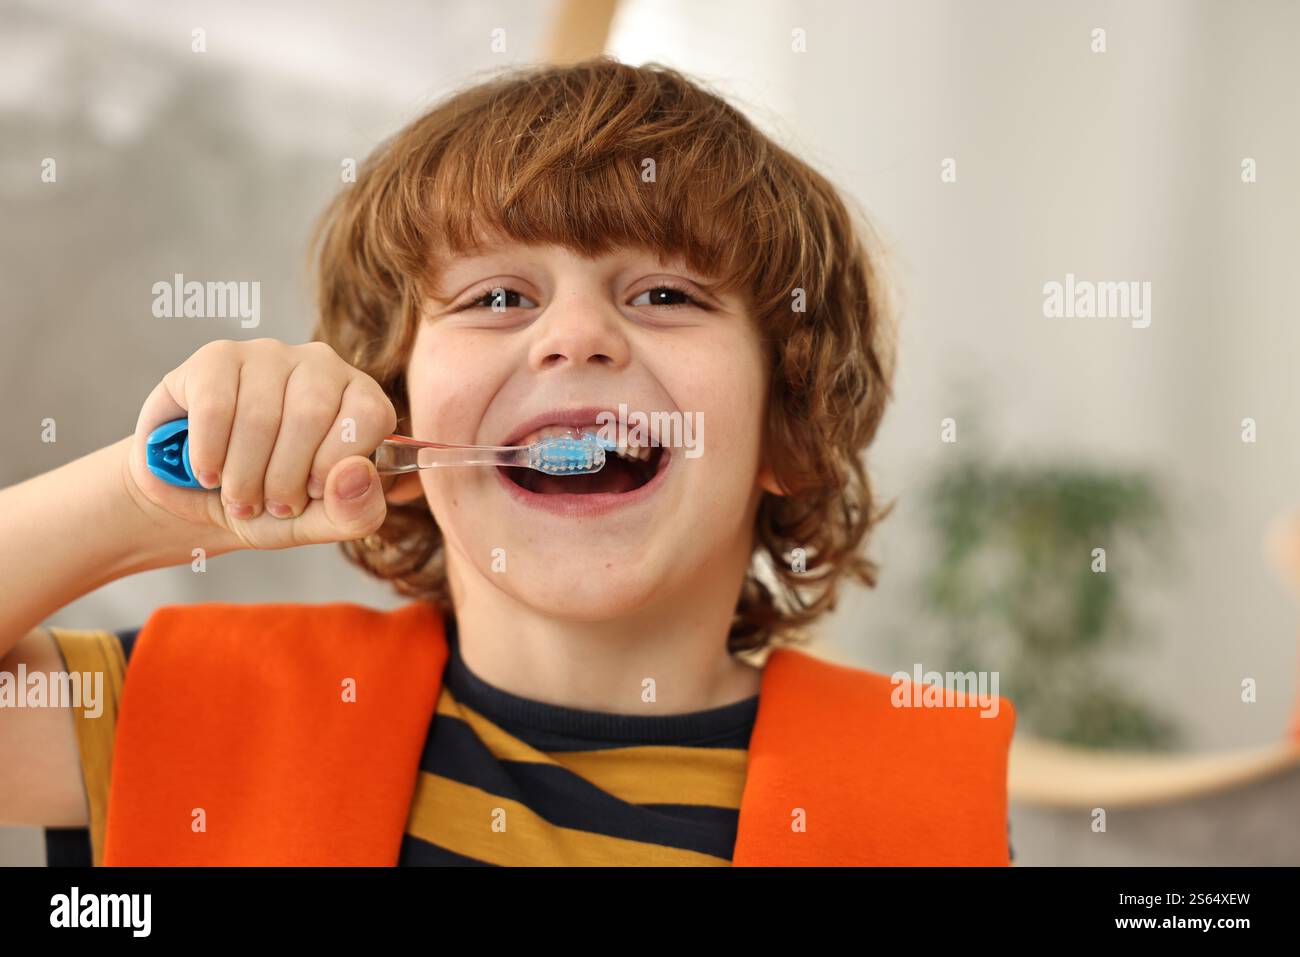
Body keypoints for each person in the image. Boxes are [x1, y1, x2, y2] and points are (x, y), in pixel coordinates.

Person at [0, 57, 1014, 866]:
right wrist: (146, 499)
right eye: (496, 298)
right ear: (389, 418)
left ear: (785, 432)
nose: (574, 338)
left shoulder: (928, 802)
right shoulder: (195, 712)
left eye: (665, 294)